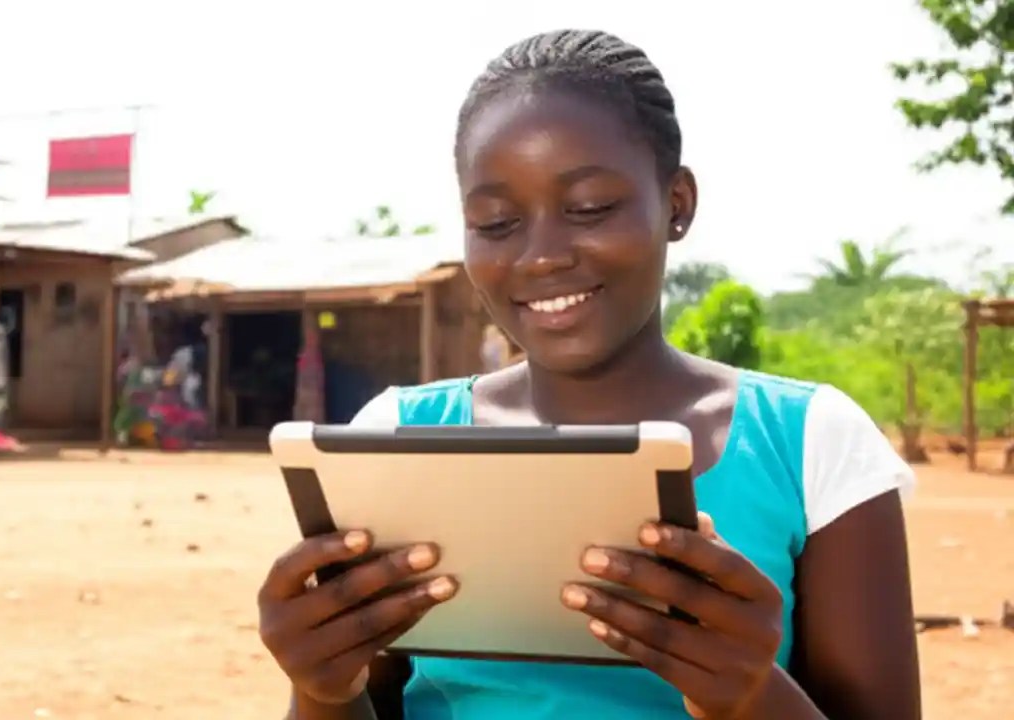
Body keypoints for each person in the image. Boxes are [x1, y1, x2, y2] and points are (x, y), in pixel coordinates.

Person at [255, 29, 921, 719]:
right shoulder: (398, 438)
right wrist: (323, 688)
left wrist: (753, 692)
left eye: (591, 209)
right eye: (497, 221)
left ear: (677, 205)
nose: (542, 256)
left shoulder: (810, 444)